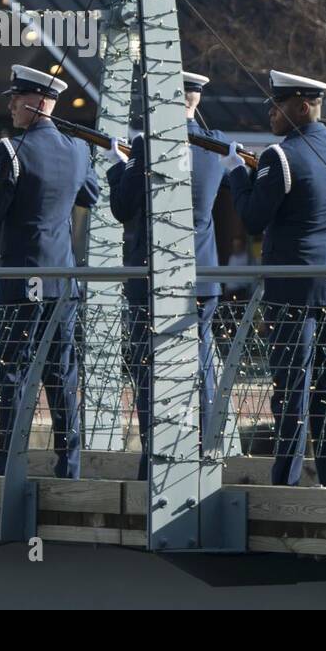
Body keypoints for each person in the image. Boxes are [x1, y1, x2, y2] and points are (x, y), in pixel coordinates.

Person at [225, 71, 326, 488]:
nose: (270, 113)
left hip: (292, 287)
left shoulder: (281, 155)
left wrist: (239, 173)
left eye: (278, 105)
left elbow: (254, 218)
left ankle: (286, 480)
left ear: (301, 107)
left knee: (292, 384)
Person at [0, 65, 99, 479]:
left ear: (36, 103)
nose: (9, 106)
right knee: (61, 371)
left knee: (13, 369)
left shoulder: (10, 150)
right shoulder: (77, 149)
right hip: (63, 277)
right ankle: (69, 465)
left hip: (23, 276)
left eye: (15, 99)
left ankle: (10, 463)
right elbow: (89, 194)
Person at [106, 72, 230, 479]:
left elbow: (124, 208)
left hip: (156, 278)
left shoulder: (147, 144)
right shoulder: (214, 145)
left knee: (150, 367)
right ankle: (205, 452)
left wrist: (118, 167)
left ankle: (156, 460)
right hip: (202, 273)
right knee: (202, 365)